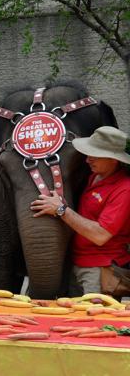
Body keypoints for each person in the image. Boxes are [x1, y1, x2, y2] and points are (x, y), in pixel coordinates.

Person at [30, 126, 130, 295]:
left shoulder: (125, 189)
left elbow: (100, 235)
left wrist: (61, 210)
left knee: (93, 319)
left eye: (95, 155)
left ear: (114, 160)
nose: (88, 160)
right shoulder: (94, 177)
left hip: (99, 270)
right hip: (78, 264)